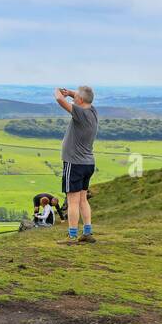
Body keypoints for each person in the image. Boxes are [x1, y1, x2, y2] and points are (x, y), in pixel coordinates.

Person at [55, 85, 99, 244]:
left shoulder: (80, 113)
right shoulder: (93, 111)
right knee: (82, 200)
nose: (74, 99)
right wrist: (71, 93)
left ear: (79, 100)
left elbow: (60, 100)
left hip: (74, 163)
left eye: (75, 98)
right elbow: (83, 98)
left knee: (72, 200)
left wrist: (58, 91)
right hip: (88, 164)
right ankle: (87, 232)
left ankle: (72, 236)